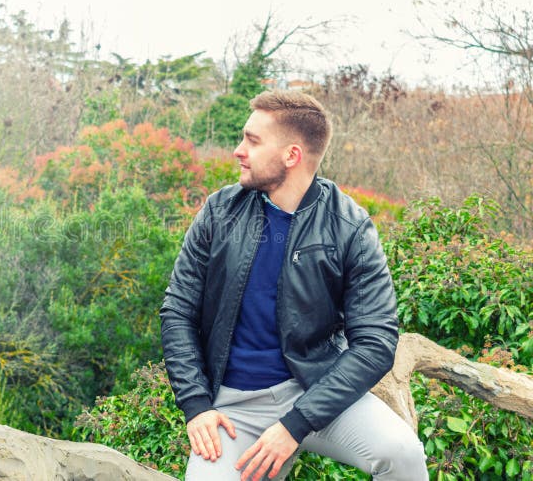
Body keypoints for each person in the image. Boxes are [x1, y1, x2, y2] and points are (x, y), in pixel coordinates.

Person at [160, 90, 427, 480]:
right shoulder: (220, 212)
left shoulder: (349, 226)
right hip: (233, 408)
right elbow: (177, 311)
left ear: (292, 155)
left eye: (252, 141)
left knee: (402, 453)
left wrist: (295, 425)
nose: (238, 151)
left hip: (314, 389)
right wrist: (197, 405)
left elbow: (376, 343)